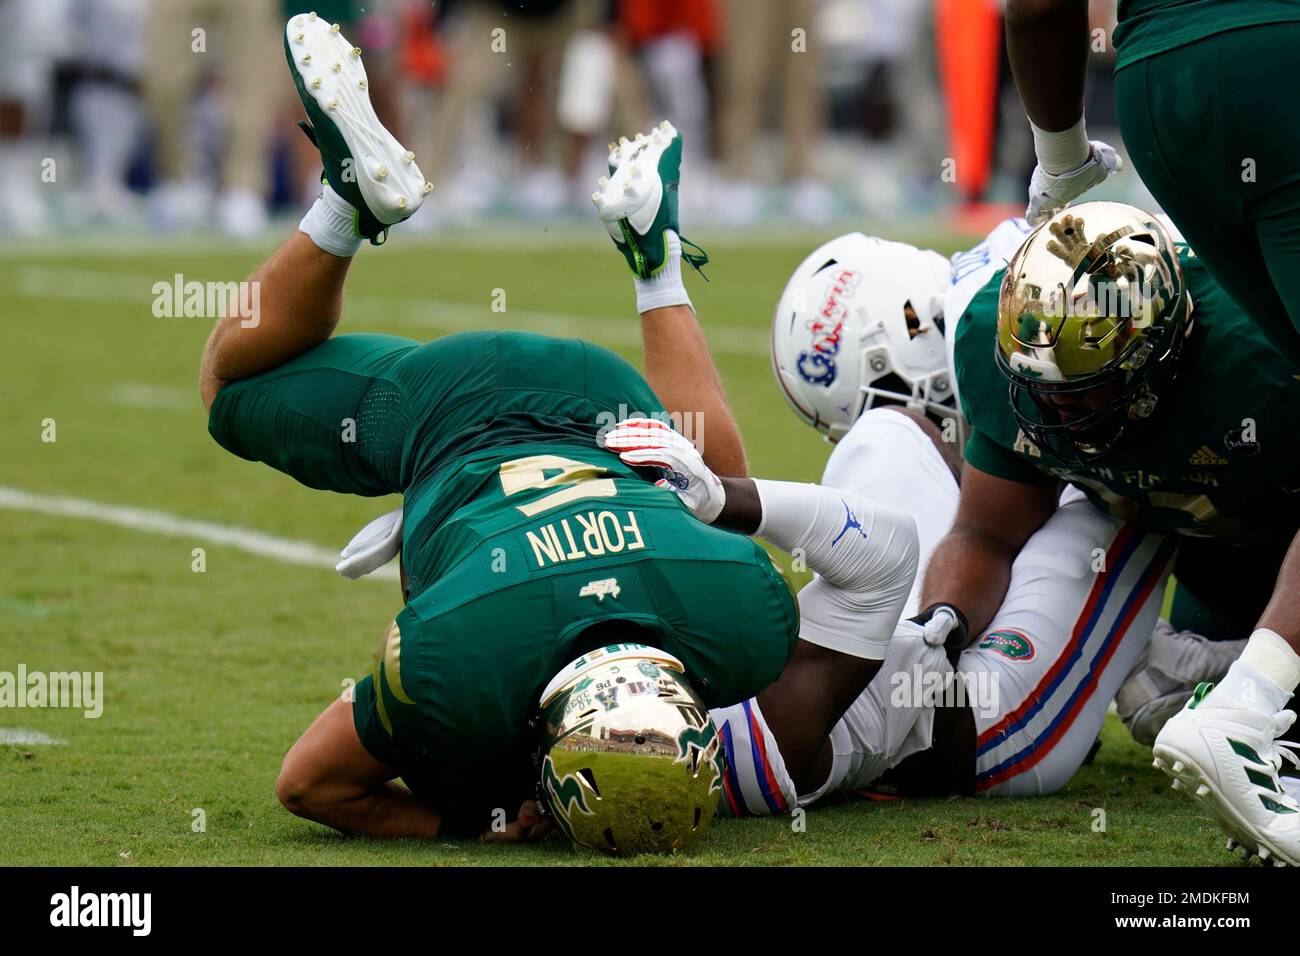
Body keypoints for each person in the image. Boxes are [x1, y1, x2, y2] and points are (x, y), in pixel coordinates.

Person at [203, 15, 919, 854]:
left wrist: (727, 500)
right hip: (449, 416)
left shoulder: (738, 620)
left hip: (611, 407)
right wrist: (474, 824)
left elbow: (873, 550)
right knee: (229, 389)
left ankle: (654, 265)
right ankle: (345, 200)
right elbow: (309, 784)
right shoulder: (462, 666)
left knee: (715, 482)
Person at [920, 200, 1300, 864]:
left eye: (1082, 391)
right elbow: (985, 533)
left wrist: (1266, 674)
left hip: (1280, 549)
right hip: (1217, 561)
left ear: (1160, 355)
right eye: (1041, 390)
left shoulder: (1258, 358)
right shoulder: (1007, 357)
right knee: (1174, 706)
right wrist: (938, 627)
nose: (1054, 411)